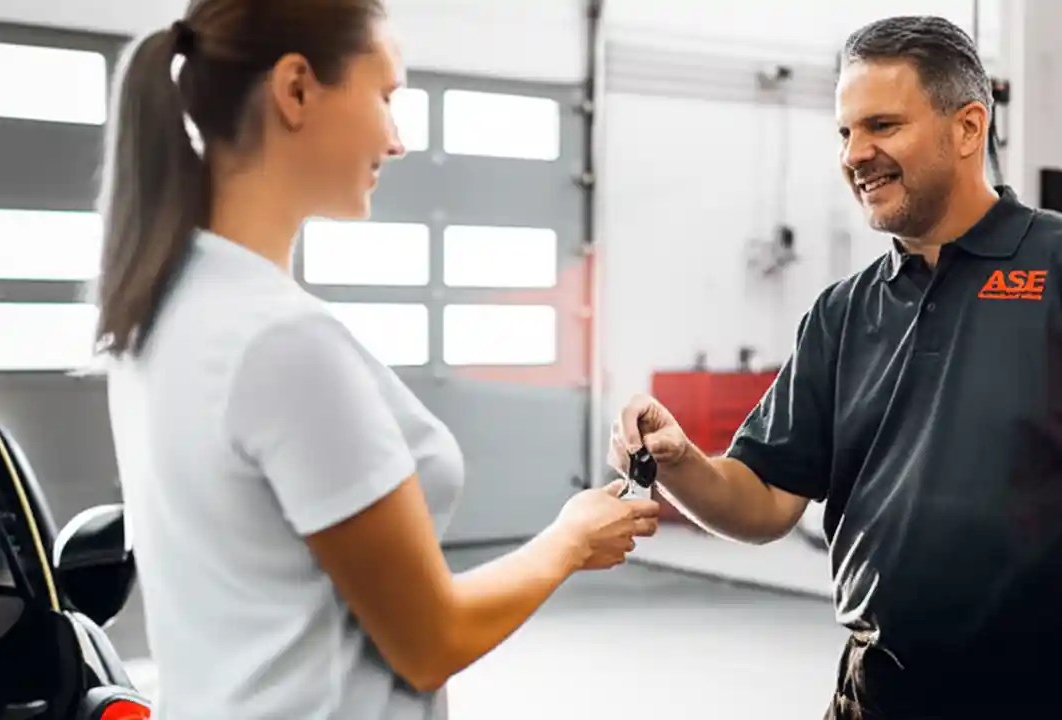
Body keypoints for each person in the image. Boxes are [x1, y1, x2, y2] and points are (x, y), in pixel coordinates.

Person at [611, 15, 1062, 720]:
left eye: (881, 125)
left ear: (968, 128)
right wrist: (679, 461)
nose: (856, 154)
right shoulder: (843, 313)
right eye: (844, 133)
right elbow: (763, 502)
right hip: (872, 695)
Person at [94, 1, 660, 717]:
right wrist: (569, 540)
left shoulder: (160, 309)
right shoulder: (279, 340)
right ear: (297, 89)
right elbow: (430, 639)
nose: (396, 140)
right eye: (386, 96)